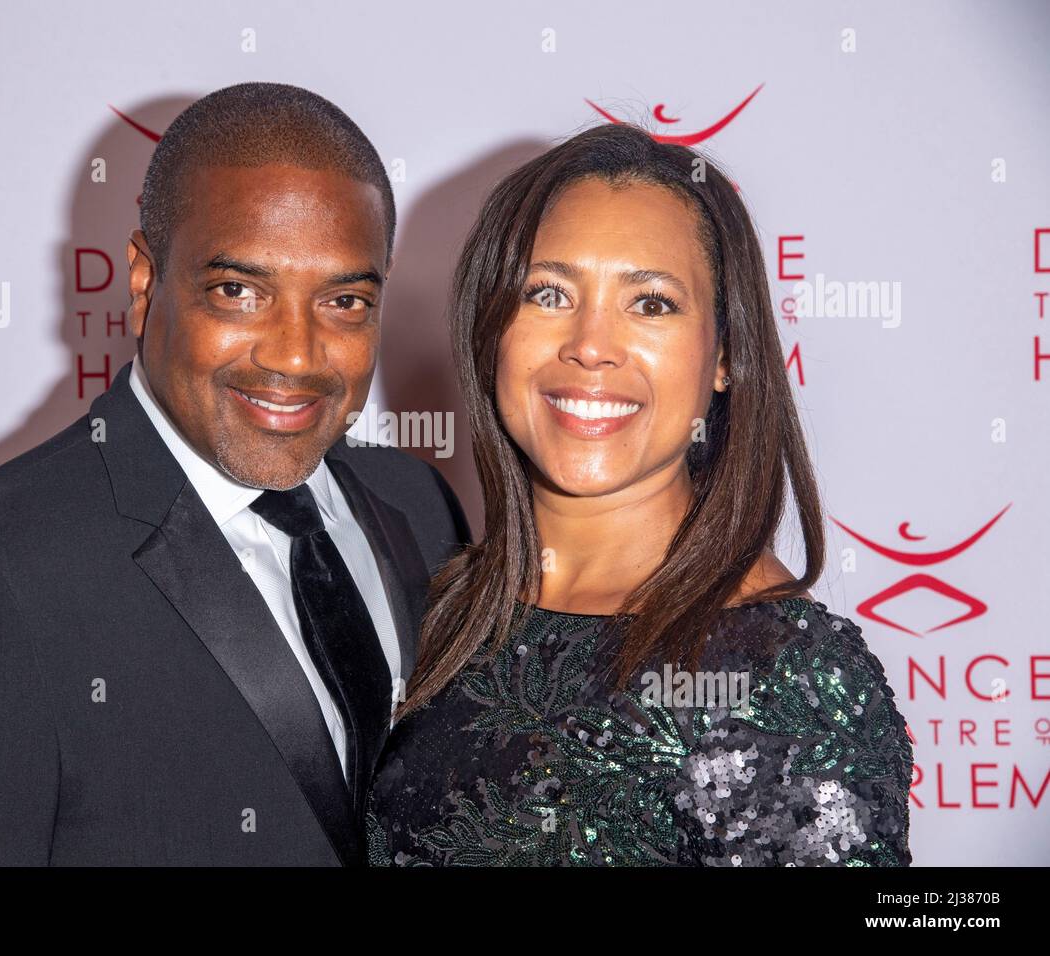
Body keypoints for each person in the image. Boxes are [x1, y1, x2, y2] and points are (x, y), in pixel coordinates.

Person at [0, 82, 469, 866]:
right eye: (238, 292)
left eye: (343, 301)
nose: (296, 355)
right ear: (143, 281)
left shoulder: (420, 508)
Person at [366, 123, 913, 866]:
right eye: (549, 293)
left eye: (651, 303)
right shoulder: (445, 598)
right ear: (492, 330)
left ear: (724, 356)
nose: (591, 344)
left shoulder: (783, 680)